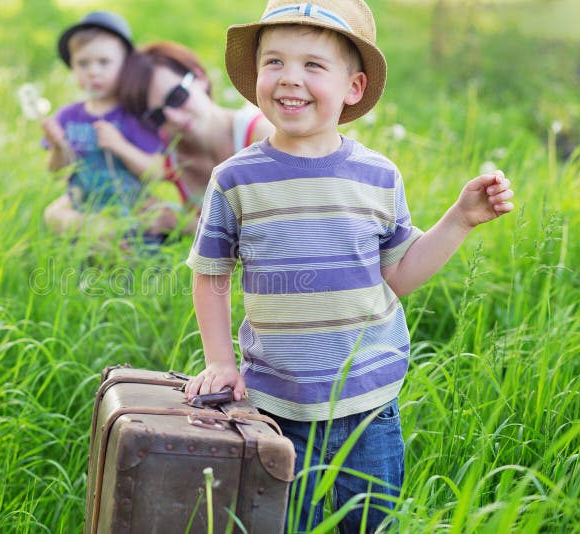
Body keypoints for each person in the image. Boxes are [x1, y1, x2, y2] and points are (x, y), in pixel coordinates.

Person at [182, 0, 515, 531]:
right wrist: (220, 361)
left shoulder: (378, 176)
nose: (291, 78)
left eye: (314, 65)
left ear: (353, 87)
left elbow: (398, 274)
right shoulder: (235, 179)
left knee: (369, 524)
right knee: (286, 523)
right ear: (256, 75)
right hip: (277, 404)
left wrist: (460, 219)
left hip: (369, 406)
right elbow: (211, 272)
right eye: (275, 62)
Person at [118, 41, 274, 234]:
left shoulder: (261, 135)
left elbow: (277, 229)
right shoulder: (172, 158)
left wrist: (181, 223)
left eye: (176, 97)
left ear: (199, 77)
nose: (173, 117)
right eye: (156, 116)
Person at [41, 11, 164, 241]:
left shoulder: (134, 116)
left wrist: (119, 146)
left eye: (104, 62)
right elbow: (57, 172)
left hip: (129, 206)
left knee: (152, 218)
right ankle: (102, 240)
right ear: (72, 67)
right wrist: (58, 146)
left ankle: (111, 244)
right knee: (55, 216)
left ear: (125, 65)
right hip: (84, 208)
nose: (93, 71)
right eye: (83, 63)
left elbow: (155, 172)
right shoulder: (67, 116)